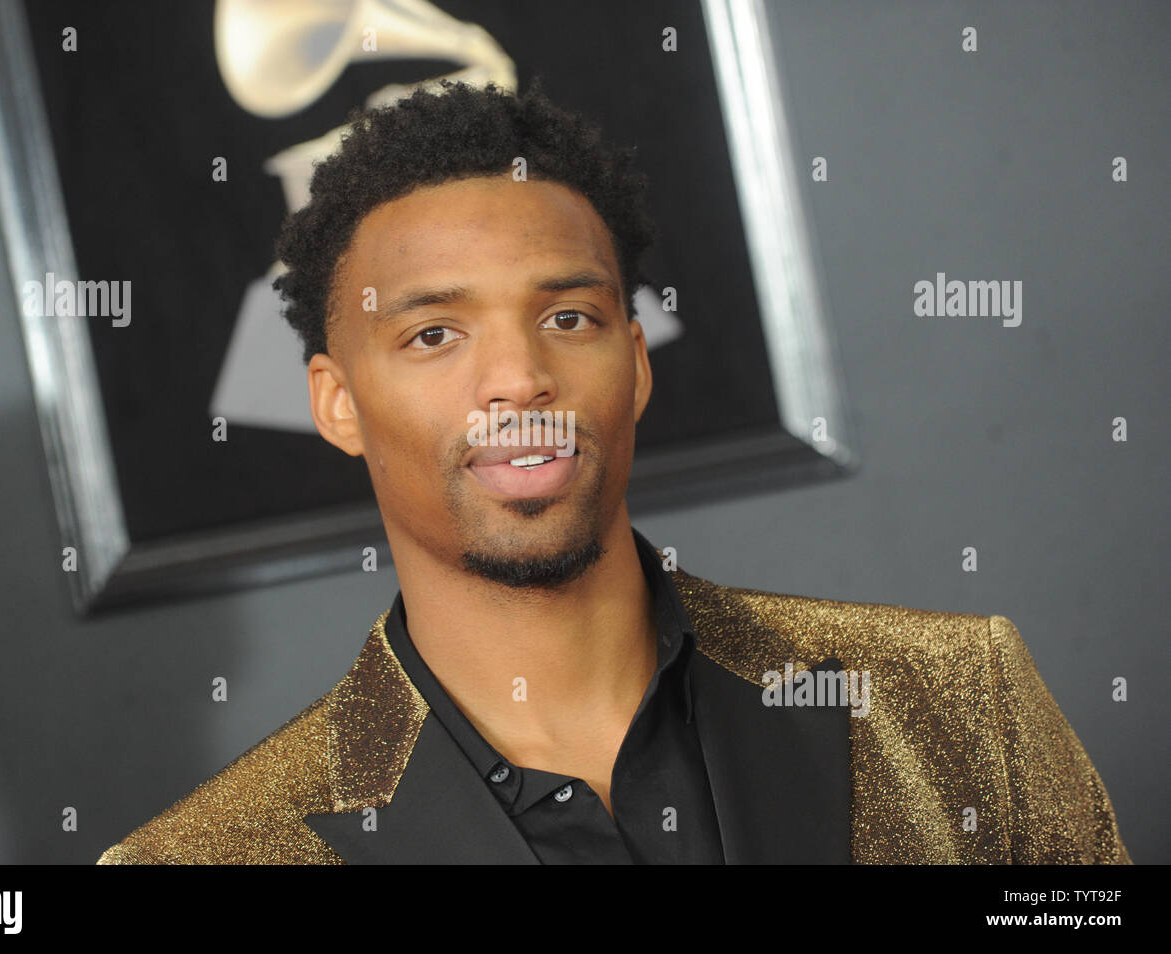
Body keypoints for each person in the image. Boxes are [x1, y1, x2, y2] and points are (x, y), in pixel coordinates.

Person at [97, 79, 1128, 864]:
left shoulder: (956, 702)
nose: (517, 377)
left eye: (566, 318)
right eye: (433, 335)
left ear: (632, 364)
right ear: (335, 403)